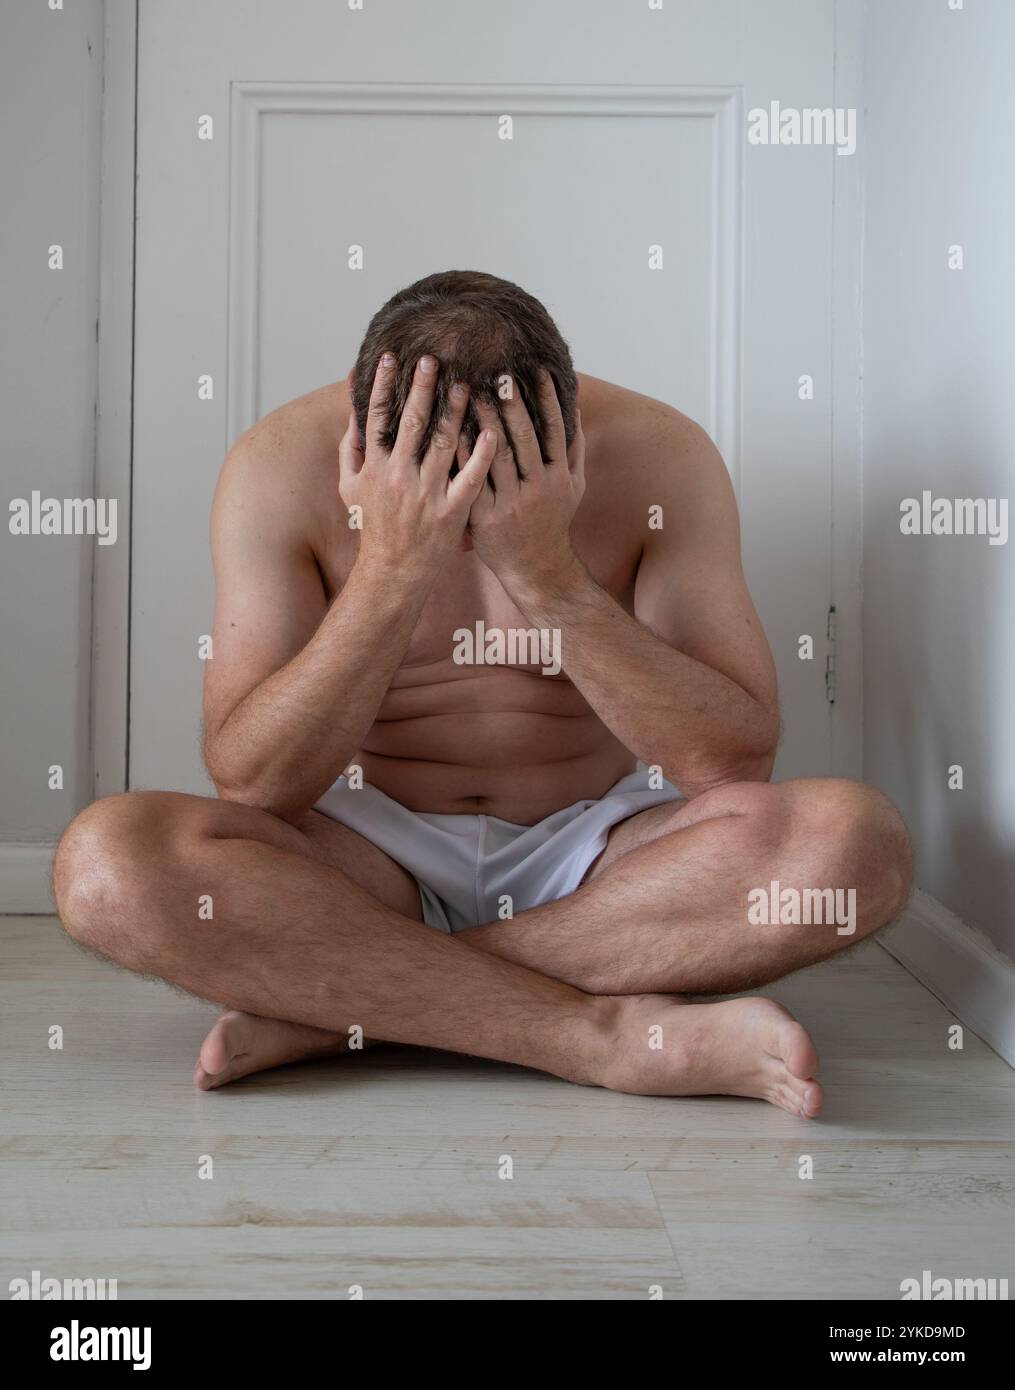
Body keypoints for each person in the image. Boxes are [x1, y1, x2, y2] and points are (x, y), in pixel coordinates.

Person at [53, 271, 912, 1116]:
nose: (462, 522)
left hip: (606, 860)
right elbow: (254, 784)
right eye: (431, 481)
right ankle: (590, 1037)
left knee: (852, 845)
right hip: (362, 856)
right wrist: (391, 566)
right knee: (104, 866)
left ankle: (359, 1008)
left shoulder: (661, 456)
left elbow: (731, 762)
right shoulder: (276, 467)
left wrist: (548, 576)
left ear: (568, 433)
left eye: (495, 482)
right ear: (361, 439)